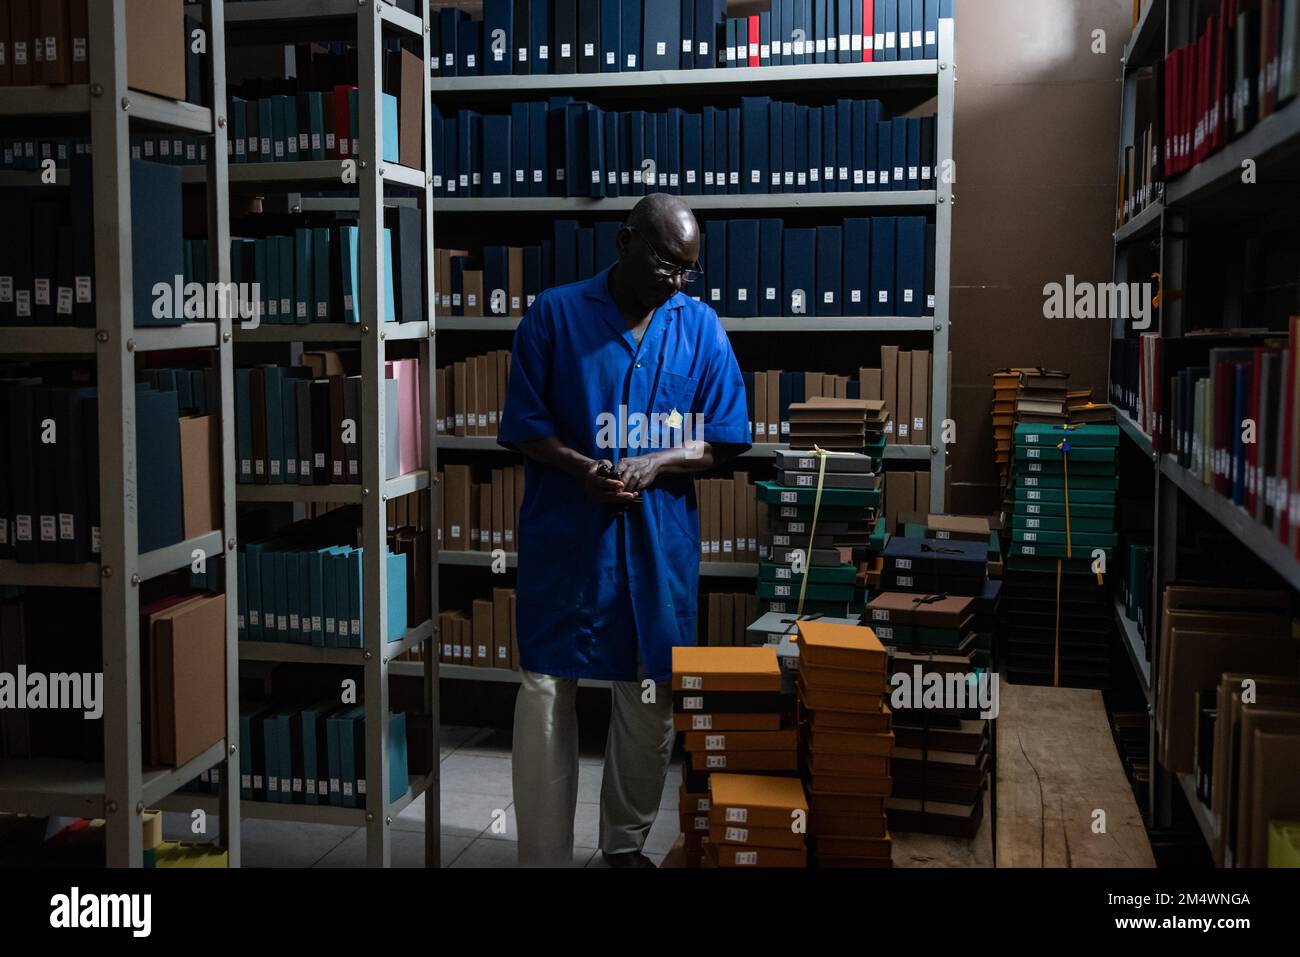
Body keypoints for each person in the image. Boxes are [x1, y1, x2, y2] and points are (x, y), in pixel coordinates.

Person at [497, 193, 751, 867]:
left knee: (648, 695)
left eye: (687, 270)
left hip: (655, 543)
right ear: (624, 242)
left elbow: (725, 439)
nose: (676, 281)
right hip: (567, 540)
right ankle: (543, 854)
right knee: (548, 689)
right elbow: (525, 425)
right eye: (666, 263)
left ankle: (623, 848)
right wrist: (584, 469)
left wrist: (659, 461)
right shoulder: (553, 315)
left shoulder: (700, 327)